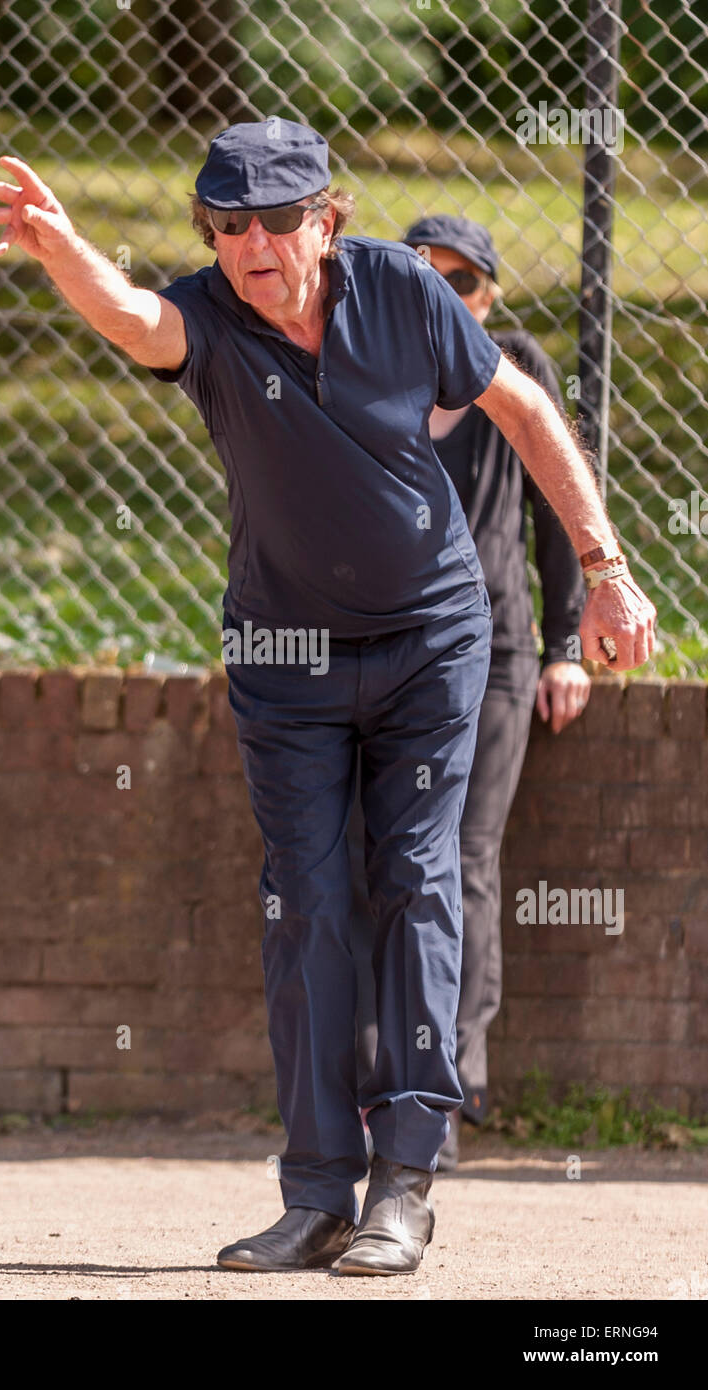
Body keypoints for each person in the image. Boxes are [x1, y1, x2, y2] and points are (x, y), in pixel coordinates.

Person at [0, 123, 655, 1277]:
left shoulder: (401, 290)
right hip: (286, 654)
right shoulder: (212, 319)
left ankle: (406, 1180)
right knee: (306, 901)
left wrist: (603, 569)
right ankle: (317, 1192)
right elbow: (134, 321)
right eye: (228, 225)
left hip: (433, 638)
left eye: (277, 220)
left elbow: (527, 412)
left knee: (416, 879)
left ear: (324, 220)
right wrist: (62, 250)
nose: (253, 245)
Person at [348, 215, 592, 1173]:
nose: (445, 292)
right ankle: (381, 1079)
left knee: (462, 854)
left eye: (465, 280)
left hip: (492, 652)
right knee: (382, 859)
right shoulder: (367, 367)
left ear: (487, 296)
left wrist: (567, 645)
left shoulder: (506, 363)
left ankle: (453, 1073)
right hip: (379, 649)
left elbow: (555, 505)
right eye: (424, 274)